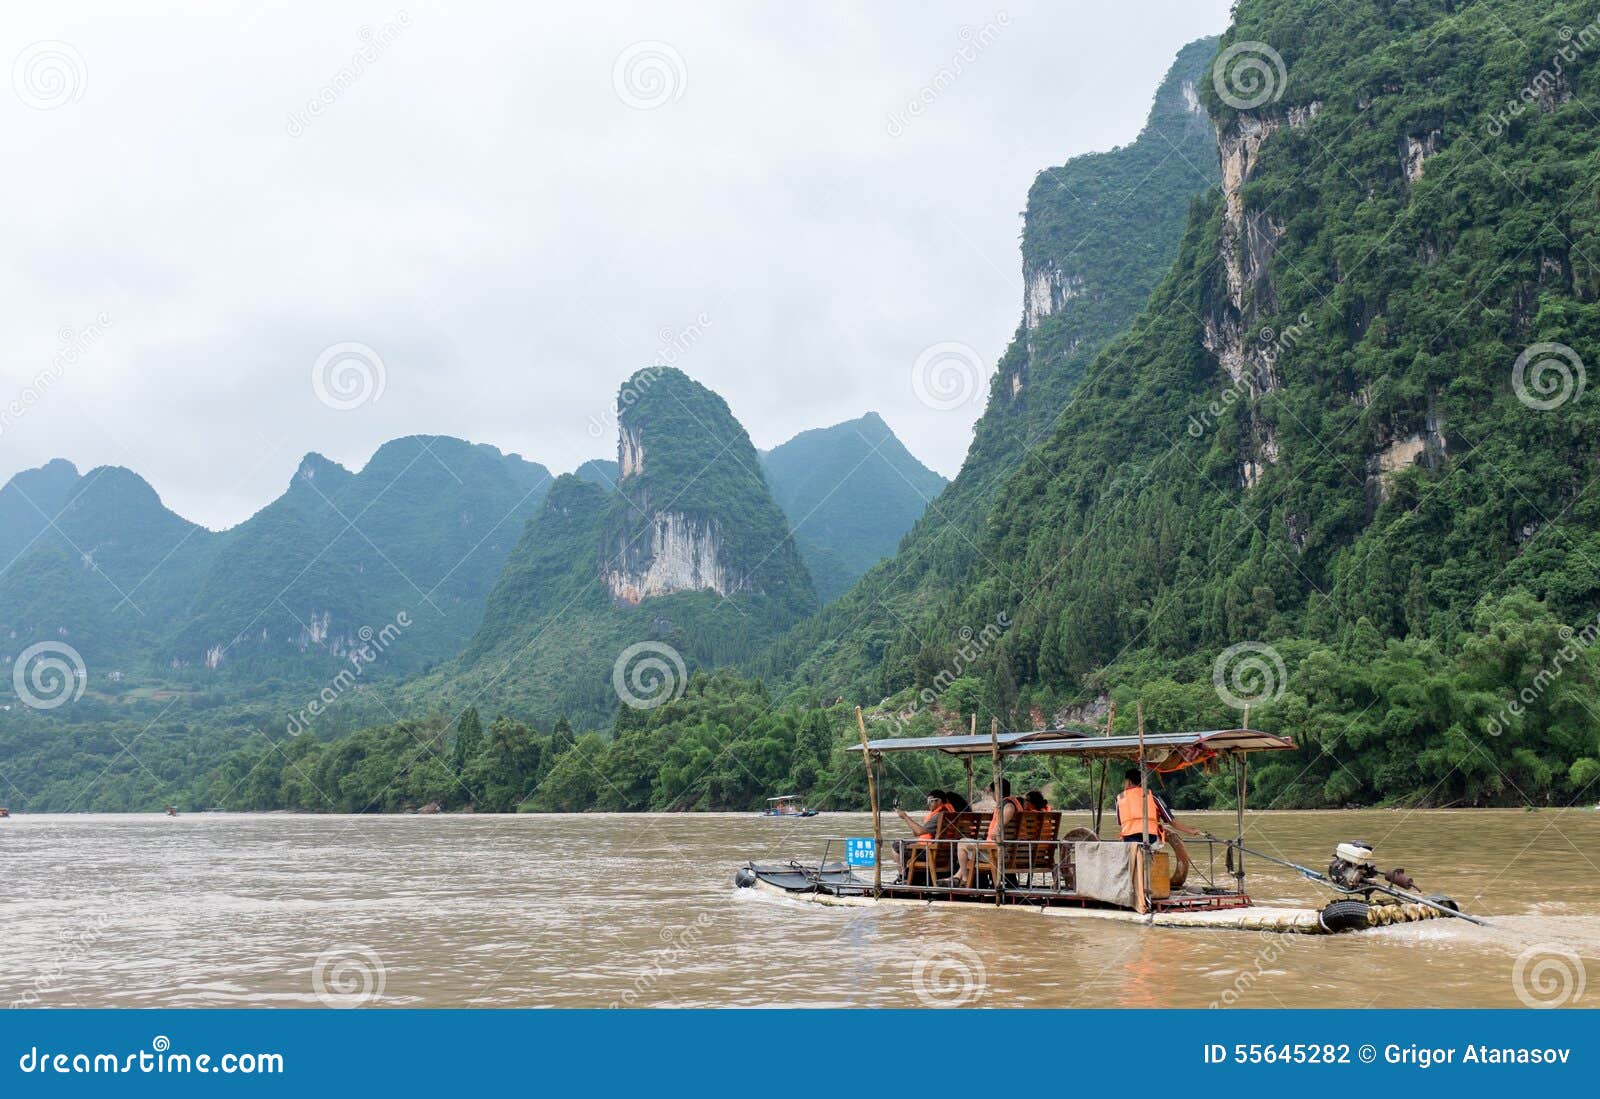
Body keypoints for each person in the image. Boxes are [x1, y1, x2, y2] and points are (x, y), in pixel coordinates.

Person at [951, 779, 1024, 887]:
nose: (992, 796)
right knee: (969, 848)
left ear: (997, 792)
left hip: (997, 853)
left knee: (962, 843)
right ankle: (957, 877)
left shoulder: (1008, 804)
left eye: (992, 793)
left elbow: (1009, 810)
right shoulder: (1015, 802)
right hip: (1009, 850)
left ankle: (965, 879)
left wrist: (997, 828)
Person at [1115, 768, 1198, 844]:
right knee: (1168, 835)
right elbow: (1172, 821)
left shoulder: (1119, 798)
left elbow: (1120, 823)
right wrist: (1190, 831)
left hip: (1128, 839)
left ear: (1128, 782)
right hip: (1151, 838)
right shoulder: (1153, 796)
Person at [893, 790, 954, 879]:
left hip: (932, 853)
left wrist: (905, 817)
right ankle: (907, 873)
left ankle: (903, 875)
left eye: (930, 801)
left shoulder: (939, 816)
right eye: (927, 801)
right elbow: (917, 833)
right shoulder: (951, 813)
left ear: (939, 801)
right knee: (905, 842)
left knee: (896, 845)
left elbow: (918, 832)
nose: (928, 804)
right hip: (948, 854)